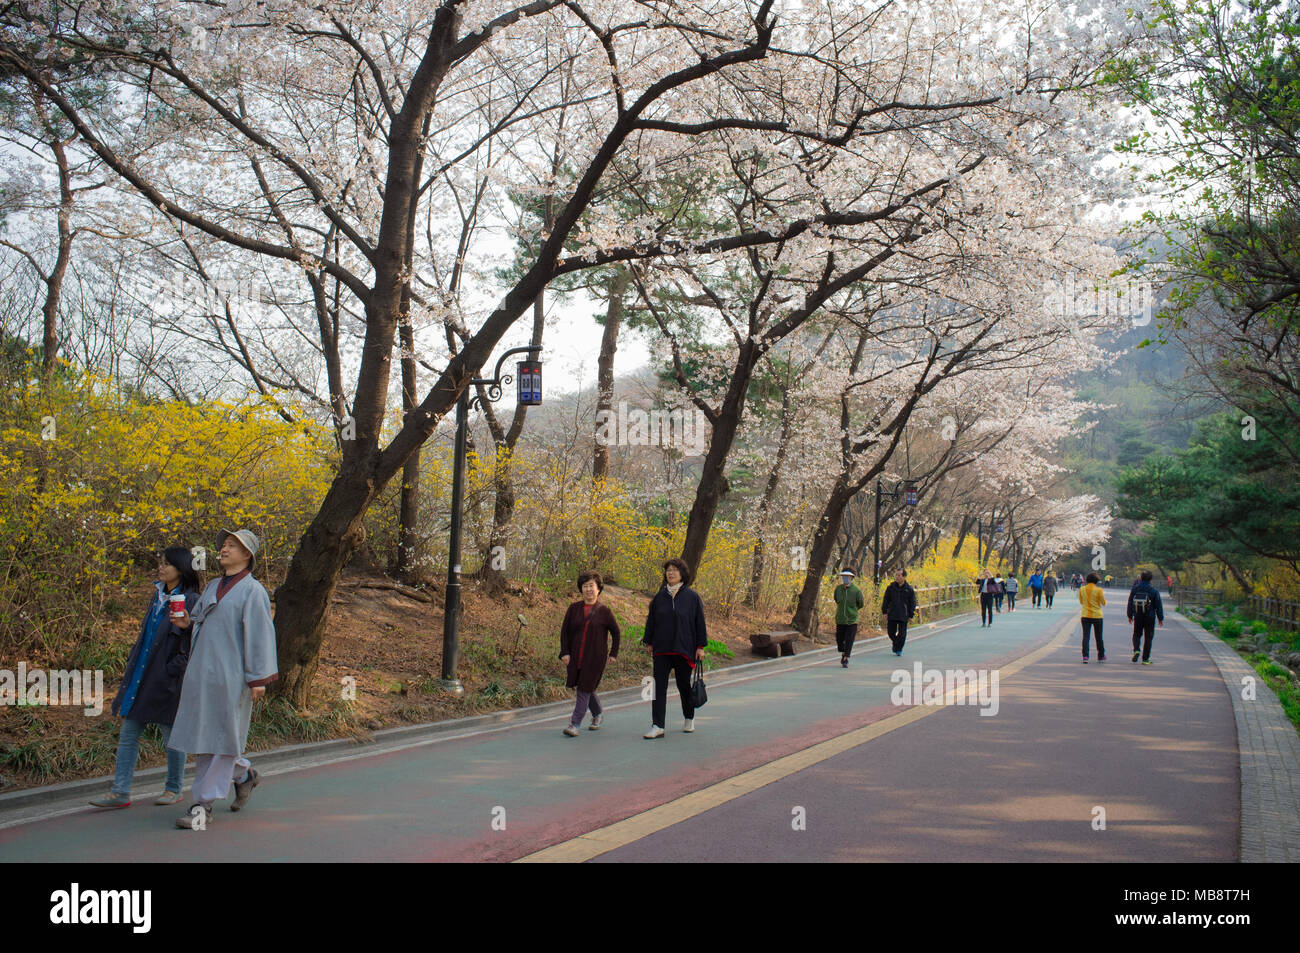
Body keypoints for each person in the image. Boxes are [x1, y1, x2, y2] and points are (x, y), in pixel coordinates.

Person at [168, 529, 278, 828]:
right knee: (209, 739)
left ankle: (201, 806)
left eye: (233, 546)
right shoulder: (214, 585)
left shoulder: (253, 591)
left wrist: (258, 679)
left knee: (221, 741)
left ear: (247, 555)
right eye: (225, 545)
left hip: (233, 678)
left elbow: (259, 637)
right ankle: (244, 776)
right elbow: (203, 623)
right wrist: (186, 622)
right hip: (204, 675)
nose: (225, 549)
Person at [90, 548, 202, 809]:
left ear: (181, 568)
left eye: (167, 564)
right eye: (160, 563)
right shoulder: (158, 596)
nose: (161, 568)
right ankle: (120, 792)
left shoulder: (192, 599)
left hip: (168, 679)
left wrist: (172, 671)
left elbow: (193, 643)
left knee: (171, 736)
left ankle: (173, 788)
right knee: (129, 732)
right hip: (143, 674)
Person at [641, 558, 707, 739]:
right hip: (662, 649)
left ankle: (689, 717)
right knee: (658, 687)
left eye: (674, 570)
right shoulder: (659, 598)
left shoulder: (692, 597)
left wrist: (700, 646)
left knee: (683, 686)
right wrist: (650, 642)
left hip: (684, 648)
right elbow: (651, 622)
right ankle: (657, 725)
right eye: (668, 570)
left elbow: (699, 623)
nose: (670, 573)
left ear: (682, 574)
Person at [559, 570, 621, 735]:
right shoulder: (573, 609)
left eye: (591, 586)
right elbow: (564, 632)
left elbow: (616, 633)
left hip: (595, 658)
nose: (588, 589)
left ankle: (574, 724)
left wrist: (613, 654)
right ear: (581, 589)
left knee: (584, 689)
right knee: (586, 686)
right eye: (585, 586)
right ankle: (598, 714)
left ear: (598, 589)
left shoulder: (604, 611)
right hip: (575, 656)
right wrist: (564, 653)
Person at [1127, 570, 1165, 665]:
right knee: (1148, 637)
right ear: (1151, 579)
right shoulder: (1153, 591)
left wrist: (1130, 615)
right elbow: (1158, 605)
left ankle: (1136, 649)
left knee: (1136, 634)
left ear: (1141, 578)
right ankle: (1145, 659)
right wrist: (1160, 618)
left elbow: (1130, 602)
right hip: (1150, 616)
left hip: (1138, 615)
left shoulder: (1135, 589)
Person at [881, 569, 917, 656]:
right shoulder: (891, 588)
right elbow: (886, 600)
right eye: (896, 575)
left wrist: (911, 615)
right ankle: (896, 643)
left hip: (903, 615)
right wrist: (885, 612)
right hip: (892, 613)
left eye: (899, 575)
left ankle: (899, 649)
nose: (897, 577)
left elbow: (912, 603)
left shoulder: (909, 589)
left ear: (904, 577)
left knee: (902, 634)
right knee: (890, 632)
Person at [833, 569, 865, 668]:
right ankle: (843, 652)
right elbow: (836, 599)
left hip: (852, 620)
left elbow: (860, 604)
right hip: (840, 619)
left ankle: (846, 658)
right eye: (843, 577)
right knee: (840, 639)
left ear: (851, 578)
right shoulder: (838, 589)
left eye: (847, 576)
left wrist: (852, 611)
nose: (845, 578)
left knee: (849, 639)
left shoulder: (856, 591)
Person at [1079, 570, 1107, 663]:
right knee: (1099, 636)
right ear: (1096, 581)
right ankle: (1101, 655)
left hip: (1085, 615)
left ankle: (1085, 656)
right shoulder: (1099, 590)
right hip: (1097, 616)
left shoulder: (1082, 589)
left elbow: (1081, 601)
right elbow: (1104, 603)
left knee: (1086, 636)